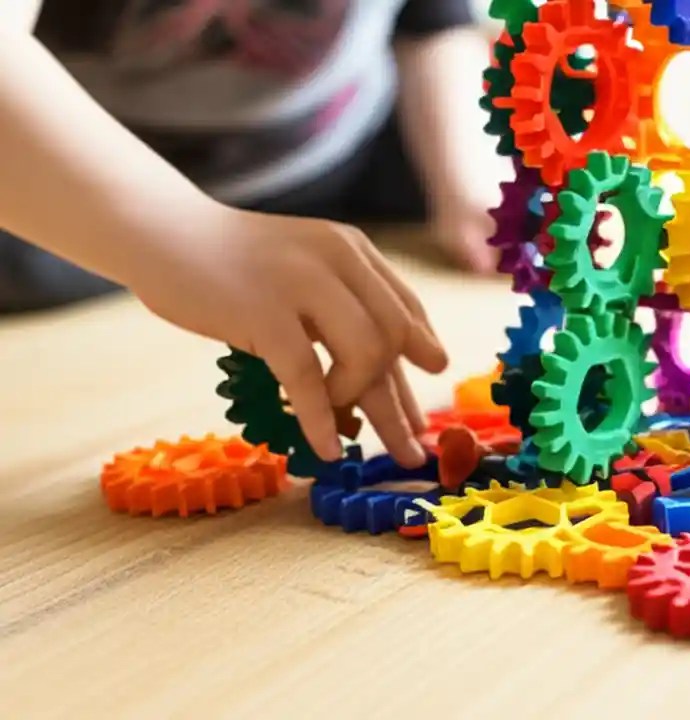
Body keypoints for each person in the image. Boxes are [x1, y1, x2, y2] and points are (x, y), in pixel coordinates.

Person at [0, 0, 509, 469]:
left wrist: (465, 179)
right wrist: (192, 237)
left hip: (345, 148)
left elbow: (433, 22)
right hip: (89, 184)